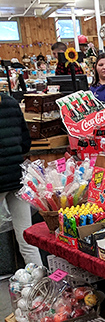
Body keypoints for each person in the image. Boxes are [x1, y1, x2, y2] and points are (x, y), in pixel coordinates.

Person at [0, 91, 43, 265]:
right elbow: (26, 142)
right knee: (27, 239)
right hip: (17, 178)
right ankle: (41, 285)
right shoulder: (10, 102)